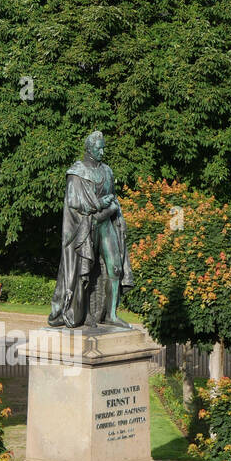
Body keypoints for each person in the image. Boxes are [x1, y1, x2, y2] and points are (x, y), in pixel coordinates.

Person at [47, 131, 133, 328]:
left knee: (115, 267)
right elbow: (73, 202)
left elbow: (113, 196)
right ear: (89, 148)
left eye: (103, 147)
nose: (102, 151)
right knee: (82, 272)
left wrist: (114, 209)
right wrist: (100, 203)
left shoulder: (107, 171)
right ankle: (81, 313)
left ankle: (111, 314)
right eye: (98, 148)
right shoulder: (77, 173)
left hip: (106, 224)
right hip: (85, 228)